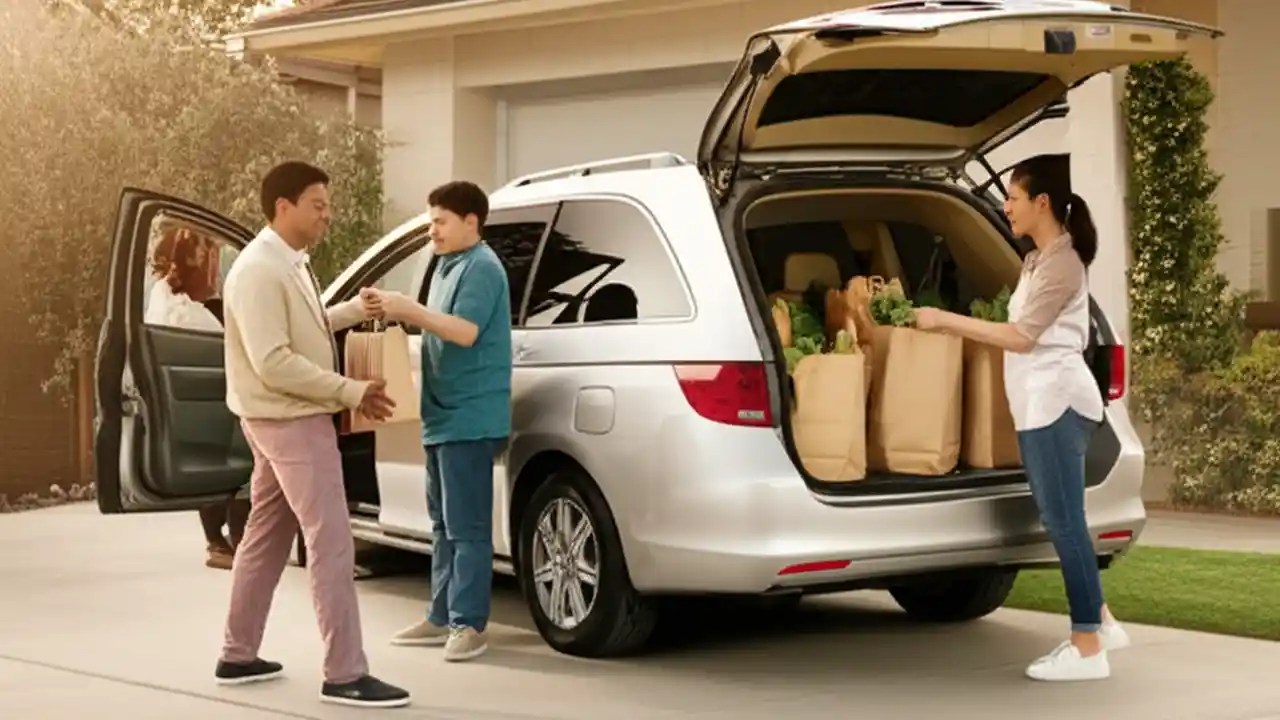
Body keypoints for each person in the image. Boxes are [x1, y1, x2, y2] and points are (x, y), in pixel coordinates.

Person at [914, 154, 1130, 682]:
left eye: (1012, 198)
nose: (1005, 207)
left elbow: (1022, 337)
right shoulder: (1039, 259)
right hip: (1040, 404)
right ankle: (1101, 623)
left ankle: (1085, 648)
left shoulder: (1061, 264)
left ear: (1042, 202)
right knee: (1063, 519)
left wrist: (945, 320)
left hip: (1056, 404)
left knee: (1063, 524)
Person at [216, 160, 410, 708]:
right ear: (284, 206)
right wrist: (351, 391)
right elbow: (274, 360)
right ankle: (345, 672)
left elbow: (302, 326)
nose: (327, 215)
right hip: (290, 420)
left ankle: (237, 654)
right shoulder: (258, 270)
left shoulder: (286, 263)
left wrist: (351, 309)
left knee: (266, 536)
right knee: (331, 542)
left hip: (280, 418)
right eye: (318, 205)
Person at [373, 181, 512, 663]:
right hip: (441, 415)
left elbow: (465, 332)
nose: (432, 229)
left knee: (467, 526)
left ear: (471, 222)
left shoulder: (482, 267)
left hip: (470, 417)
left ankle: (469, 625)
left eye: (440, 221)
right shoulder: (445, 264)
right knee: (441, 523)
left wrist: (409, 309)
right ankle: (440, 616)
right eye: (431, 220)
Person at [144, 227, 250, 570]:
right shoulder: (191, 314)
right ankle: (238, 544)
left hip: (195, 411)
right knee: (244, 454)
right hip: (218, 407)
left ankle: (222, 542)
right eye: (213, 256)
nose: (217, 270)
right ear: (196, 259)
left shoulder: (165, 298)